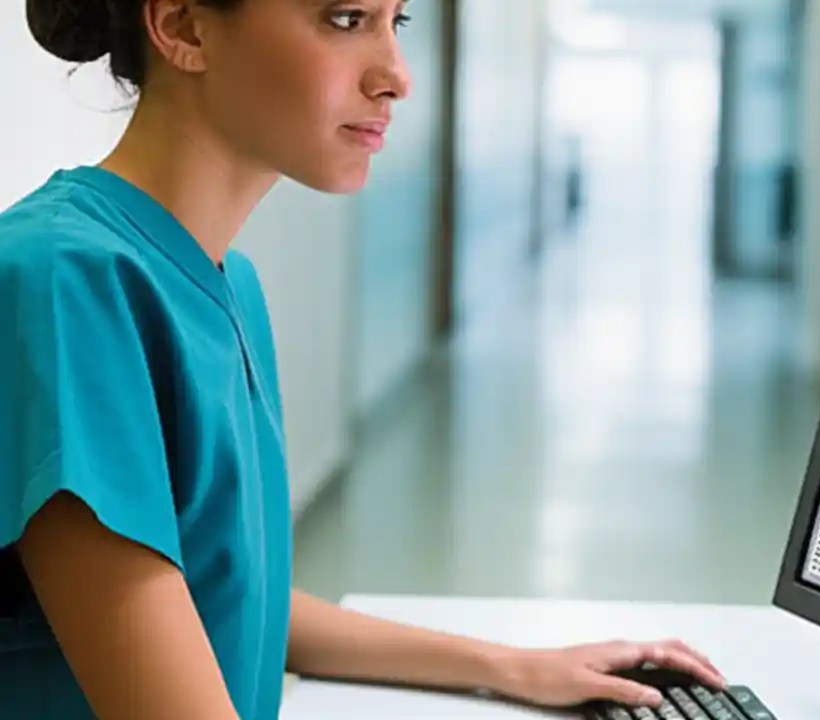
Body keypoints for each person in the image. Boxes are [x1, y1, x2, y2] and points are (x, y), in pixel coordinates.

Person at [0, 1, 725, 718]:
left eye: (395, 23)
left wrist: (514, 667)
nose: (397, 77)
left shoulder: (225, 281)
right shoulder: (63, 281)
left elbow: (229, 594)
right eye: (346, 20)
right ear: (185, 28)